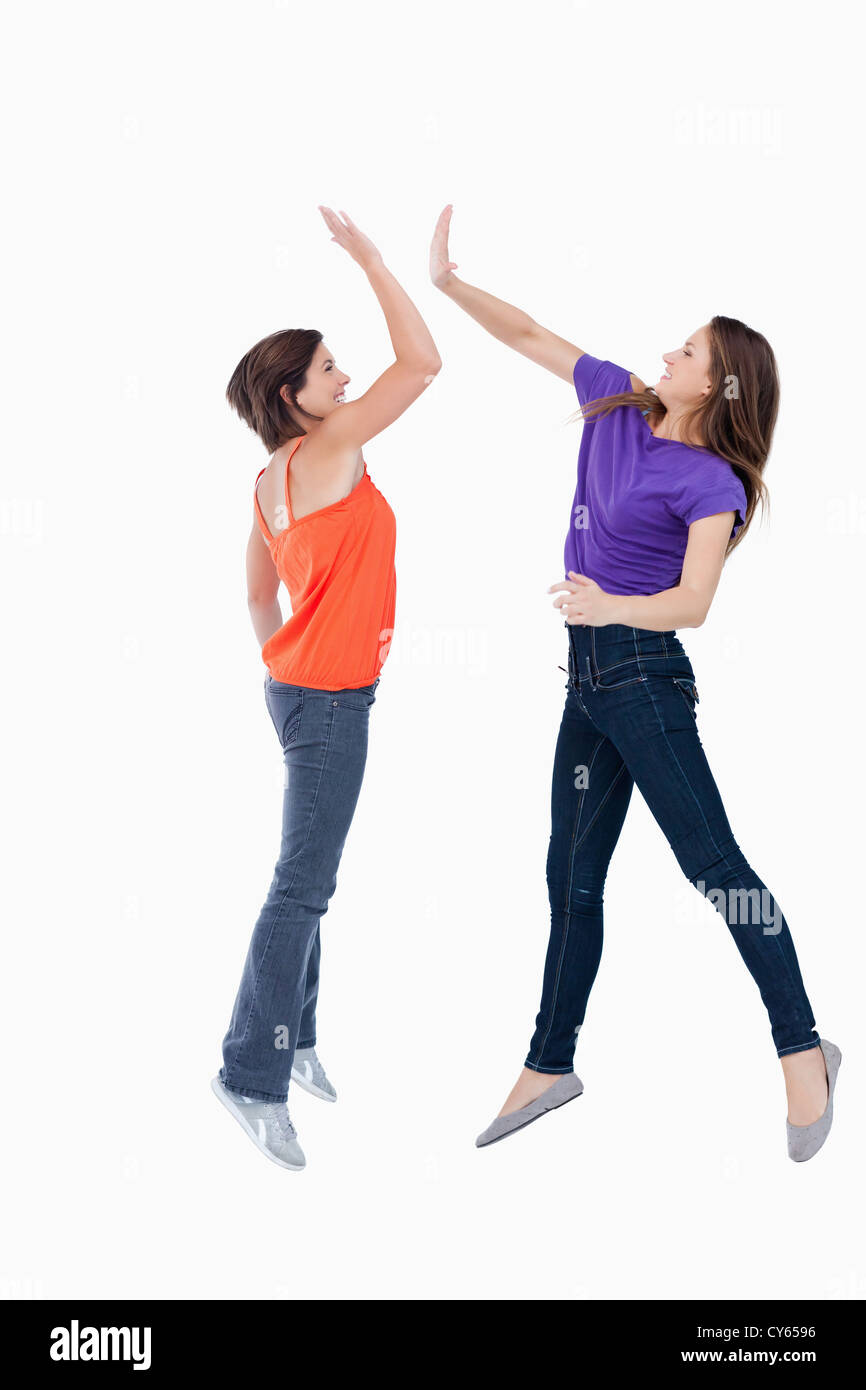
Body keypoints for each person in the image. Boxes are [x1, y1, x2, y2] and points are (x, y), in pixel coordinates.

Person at [428, 205, 841, 1162]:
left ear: (721, 381)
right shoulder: (615, 402)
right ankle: (549, 1063)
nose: (668, 351)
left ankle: (801, 1050)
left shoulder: (713, 482)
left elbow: (693, 604)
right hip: (588, 682)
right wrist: (450, 283)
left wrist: (609, 601)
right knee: (568, 876)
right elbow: (529, 333)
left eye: (688, 349)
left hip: (645, 680)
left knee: (718, 871)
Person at [212, 207, 441, 1171]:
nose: (346, 378)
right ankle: (249, 1074)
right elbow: (423, 363)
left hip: (309, 693)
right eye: (330, 369)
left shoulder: (272, 477)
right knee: (300, 885)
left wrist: (284, 664)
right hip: (329, 701)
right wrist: (377, 261)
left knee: (313, 880)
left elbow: (259, 592)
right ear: (296, 397)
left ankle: (295, 1039)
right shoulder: (333, 446)